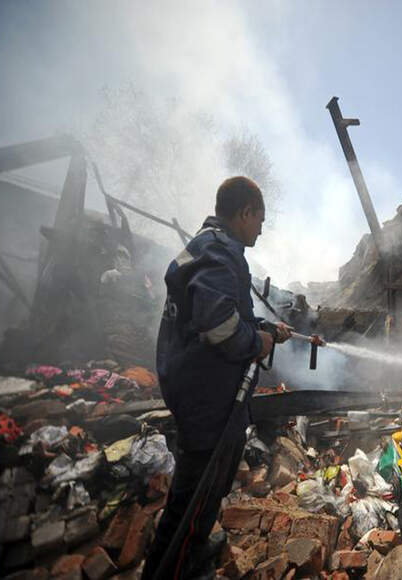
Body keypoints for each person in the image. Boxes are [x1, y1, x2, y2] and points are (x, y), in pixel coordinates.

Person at [143, 176, 292, 579]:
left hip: (197, 391)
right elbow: (217, 325)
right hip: (208, 400)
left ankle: (188, 551)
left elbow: (219, 313)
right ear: (244, 213)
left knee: (199, 491)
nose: (261, 229)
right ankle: (174, 566)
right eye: (260, 219)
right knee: (196, 497)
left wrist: (263, 328)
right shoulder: (222, 251)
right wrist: (255, 343)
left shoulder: (206, 245)